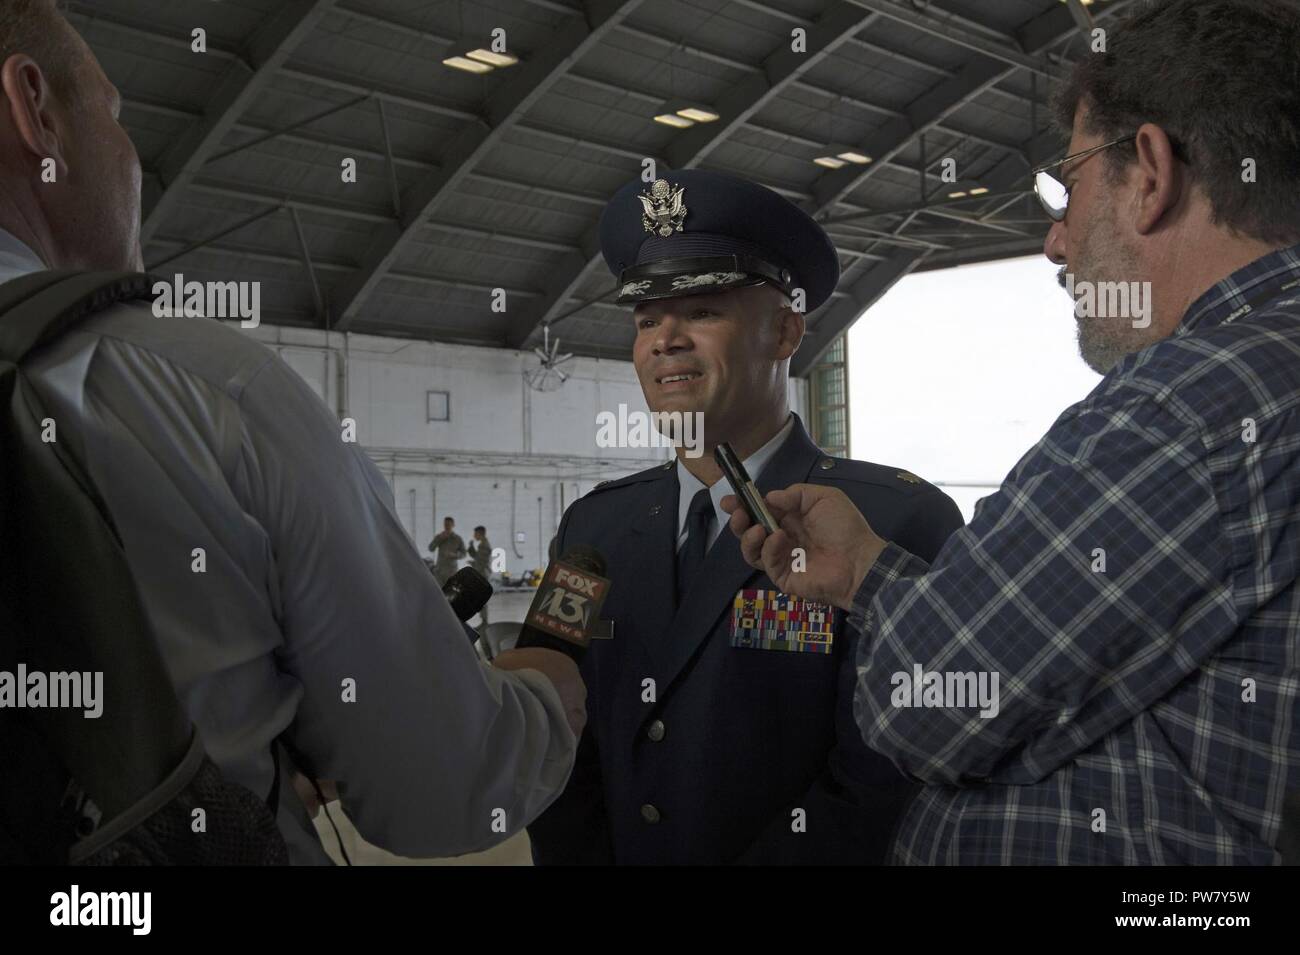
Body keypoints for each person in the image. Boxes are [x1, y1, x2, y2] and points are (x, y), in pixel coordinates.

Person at [0, 0, 584, 863]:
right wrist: (550, 693)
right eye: (114, 117)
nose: (131, 159)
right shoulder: (207, 391)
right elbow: (445, 783)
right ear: (34, 108)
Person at [725, 0, 1300, 865]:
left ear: (1150, 173)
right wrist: (870, 573)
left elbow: (926, 703)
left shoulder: (1188, 406)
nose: (1057, 242)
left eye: (1070, 187)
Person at [525, 169, 964, 864]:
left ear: (785, 331)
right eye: (646, 320)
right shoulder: (591, 531)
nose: (665, 340)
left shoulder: (896, 520)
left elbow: (887, 775)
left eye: (702, 312)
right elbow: (551, 720)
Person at [429, 516, 466, 586]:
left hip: (451, 571)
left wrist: (454, 555)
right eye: (445, 524)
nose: (446, 526)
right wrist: (440, 538)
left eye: (448, 524)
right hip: (439, 571)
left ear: (453, 525)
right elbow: (431, 548)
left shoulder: (458, 539)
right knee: (438, 590)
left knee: (450, 590)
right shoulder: (439, 536)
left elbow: (464, 554)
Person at [467, 525, 493, 626]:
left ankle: (485, 622)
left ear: (481, 533)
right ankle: (483, 621)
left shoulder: (484, 545)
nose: (474, 536)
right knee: (480, 598)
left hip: (483, 574)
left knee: (482, 599)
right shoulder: (482, 544)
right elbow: (477, 557)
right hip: (482, 573)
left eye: (475, 534)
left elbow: (481, 562)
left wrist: (473, 564)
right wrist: (471, 547)